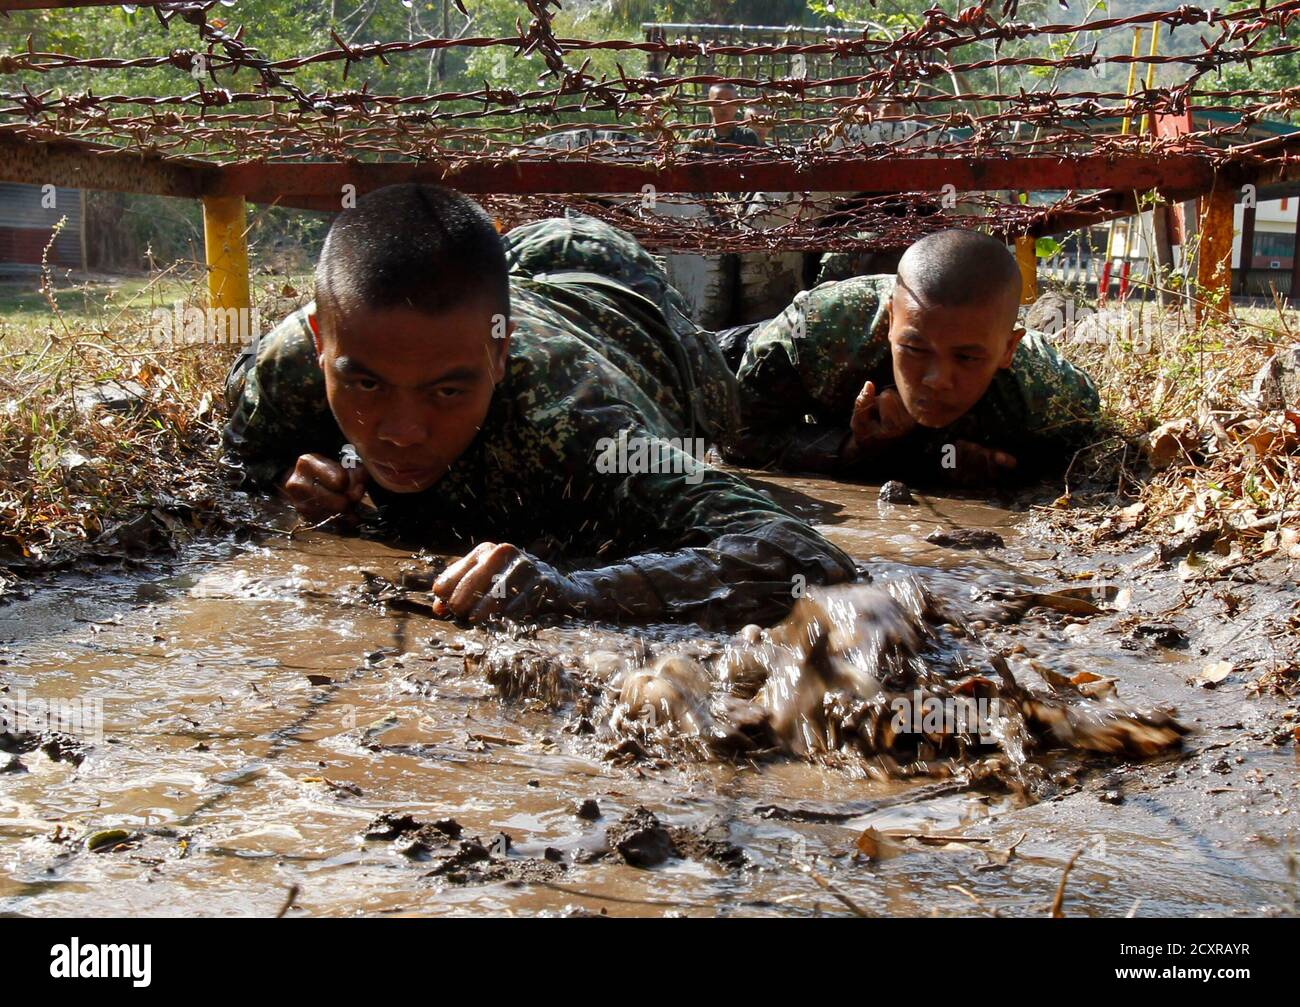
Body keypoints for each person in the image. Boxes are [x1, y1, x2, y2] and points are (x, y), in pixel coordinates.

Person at [224, 185, 856, 627]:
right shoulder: (294, 358)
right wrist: (284, 470)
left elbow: (805, 555)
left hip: (642, 322)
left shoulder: (583, 423)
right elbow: (246, 434)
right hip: (525, 264)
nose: (402, 431)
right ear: (318, 345)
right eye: (365, 387)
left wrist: (577, 590)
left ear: (499, 357)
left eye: (447, 391)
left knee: (726, 396)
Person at [720, 229, 1101, 485]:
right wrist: (850, 449)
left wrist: (952, 459)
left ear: (1008, 350)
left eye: (967, 358)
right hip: (745, 344)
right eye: (916, 350)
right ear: (889, 322)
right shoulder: (811, 332)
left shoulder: (1047, 393)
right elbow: (738, 436)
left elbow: (1076, 449)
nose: (937, 379)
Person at [685, 83, 762, 154]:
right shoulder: (698, 137)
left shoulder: (748, 136)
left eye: (729, 102)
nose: (723, 107)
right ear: (709, 105)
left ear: (737, 105)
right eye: (718, 101)